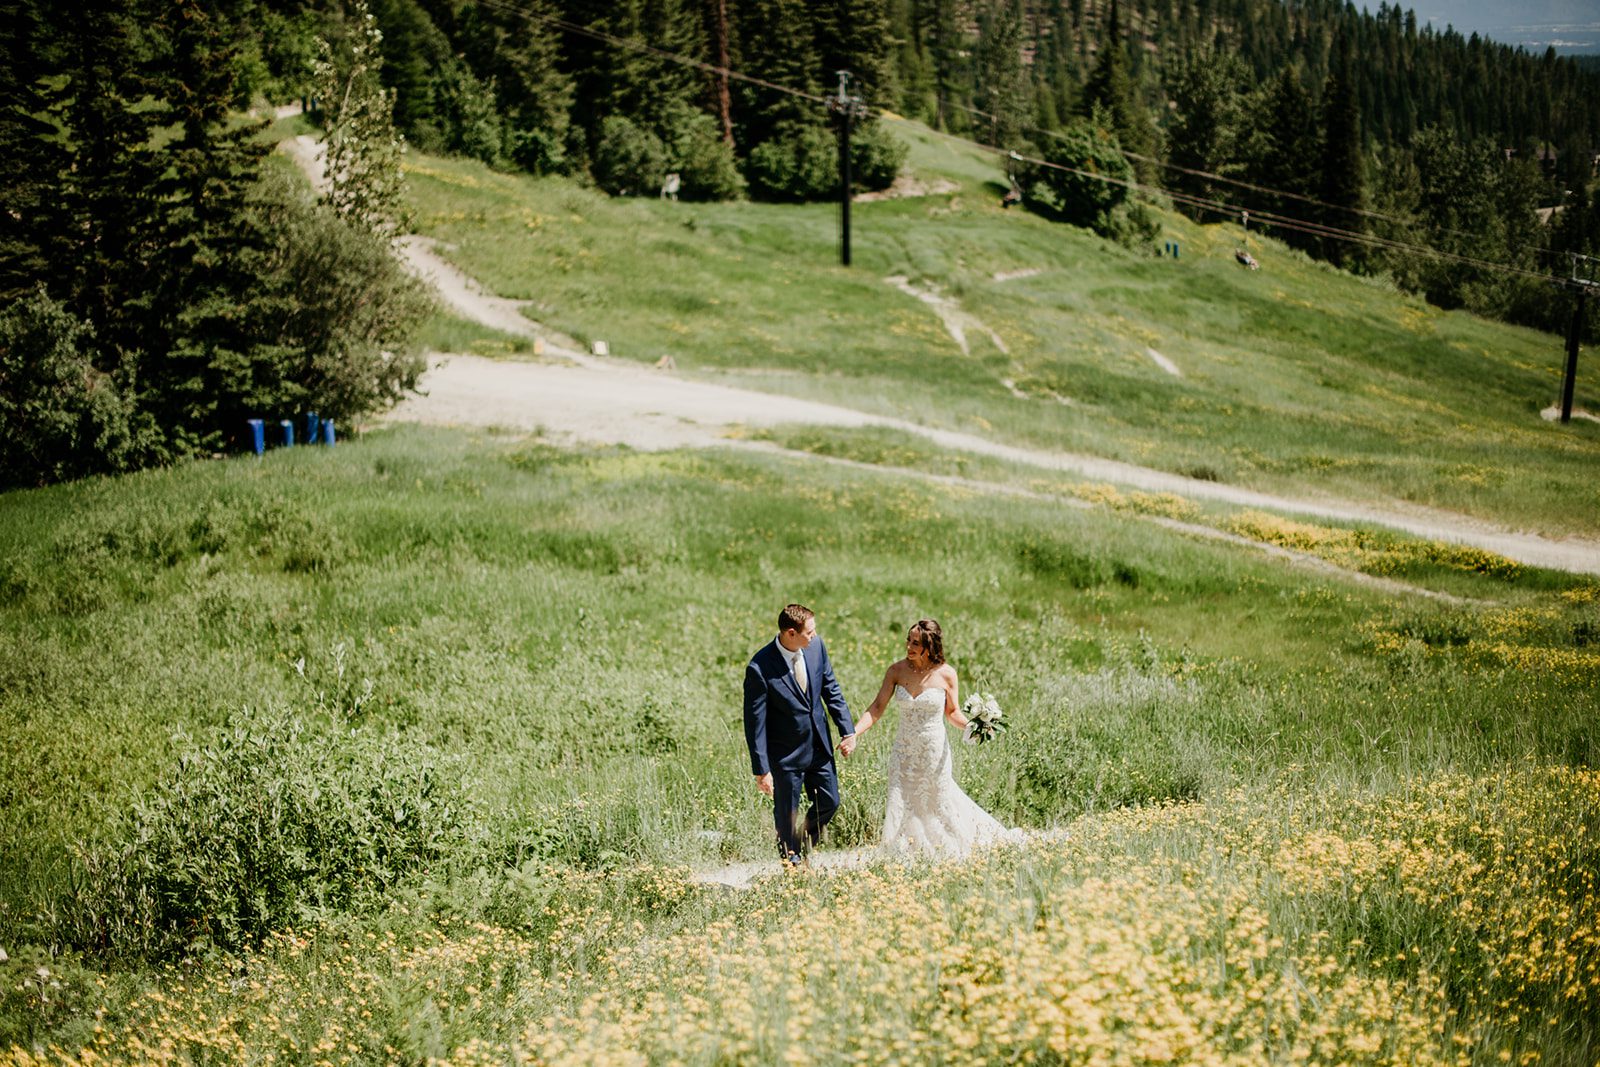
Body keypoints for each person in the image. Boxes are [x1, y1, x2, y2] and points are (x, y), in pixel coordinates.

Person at [850, 619, 1015, 857]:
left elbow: (953, 712)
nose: (909, 646)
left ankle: (949, 848)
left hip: (933, 750)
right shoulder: (896, 671)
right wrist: (854, 733)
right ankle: (903, 852)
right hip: (904, 752)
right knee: (900, 799)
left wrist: (976, 726)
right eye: (908, 640)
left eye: (916, 643)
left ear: (930, 646)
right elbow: (876, 707)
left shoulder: (947, 674)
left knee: (939, 800)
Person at [743, 604, 856, 867]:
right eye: (809, 632)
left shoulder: (816, 648)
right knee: (787, 813)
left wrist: (847, 731)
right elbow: (754, 722)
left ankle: (803, 844)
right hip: (785, 754)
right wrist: (761, 769)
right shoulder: (760, 667)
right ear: (791, 633)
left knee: (830, 801)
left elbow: (831, 689)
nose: (814, 635)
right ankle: (791, 861)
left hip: (819, 745)